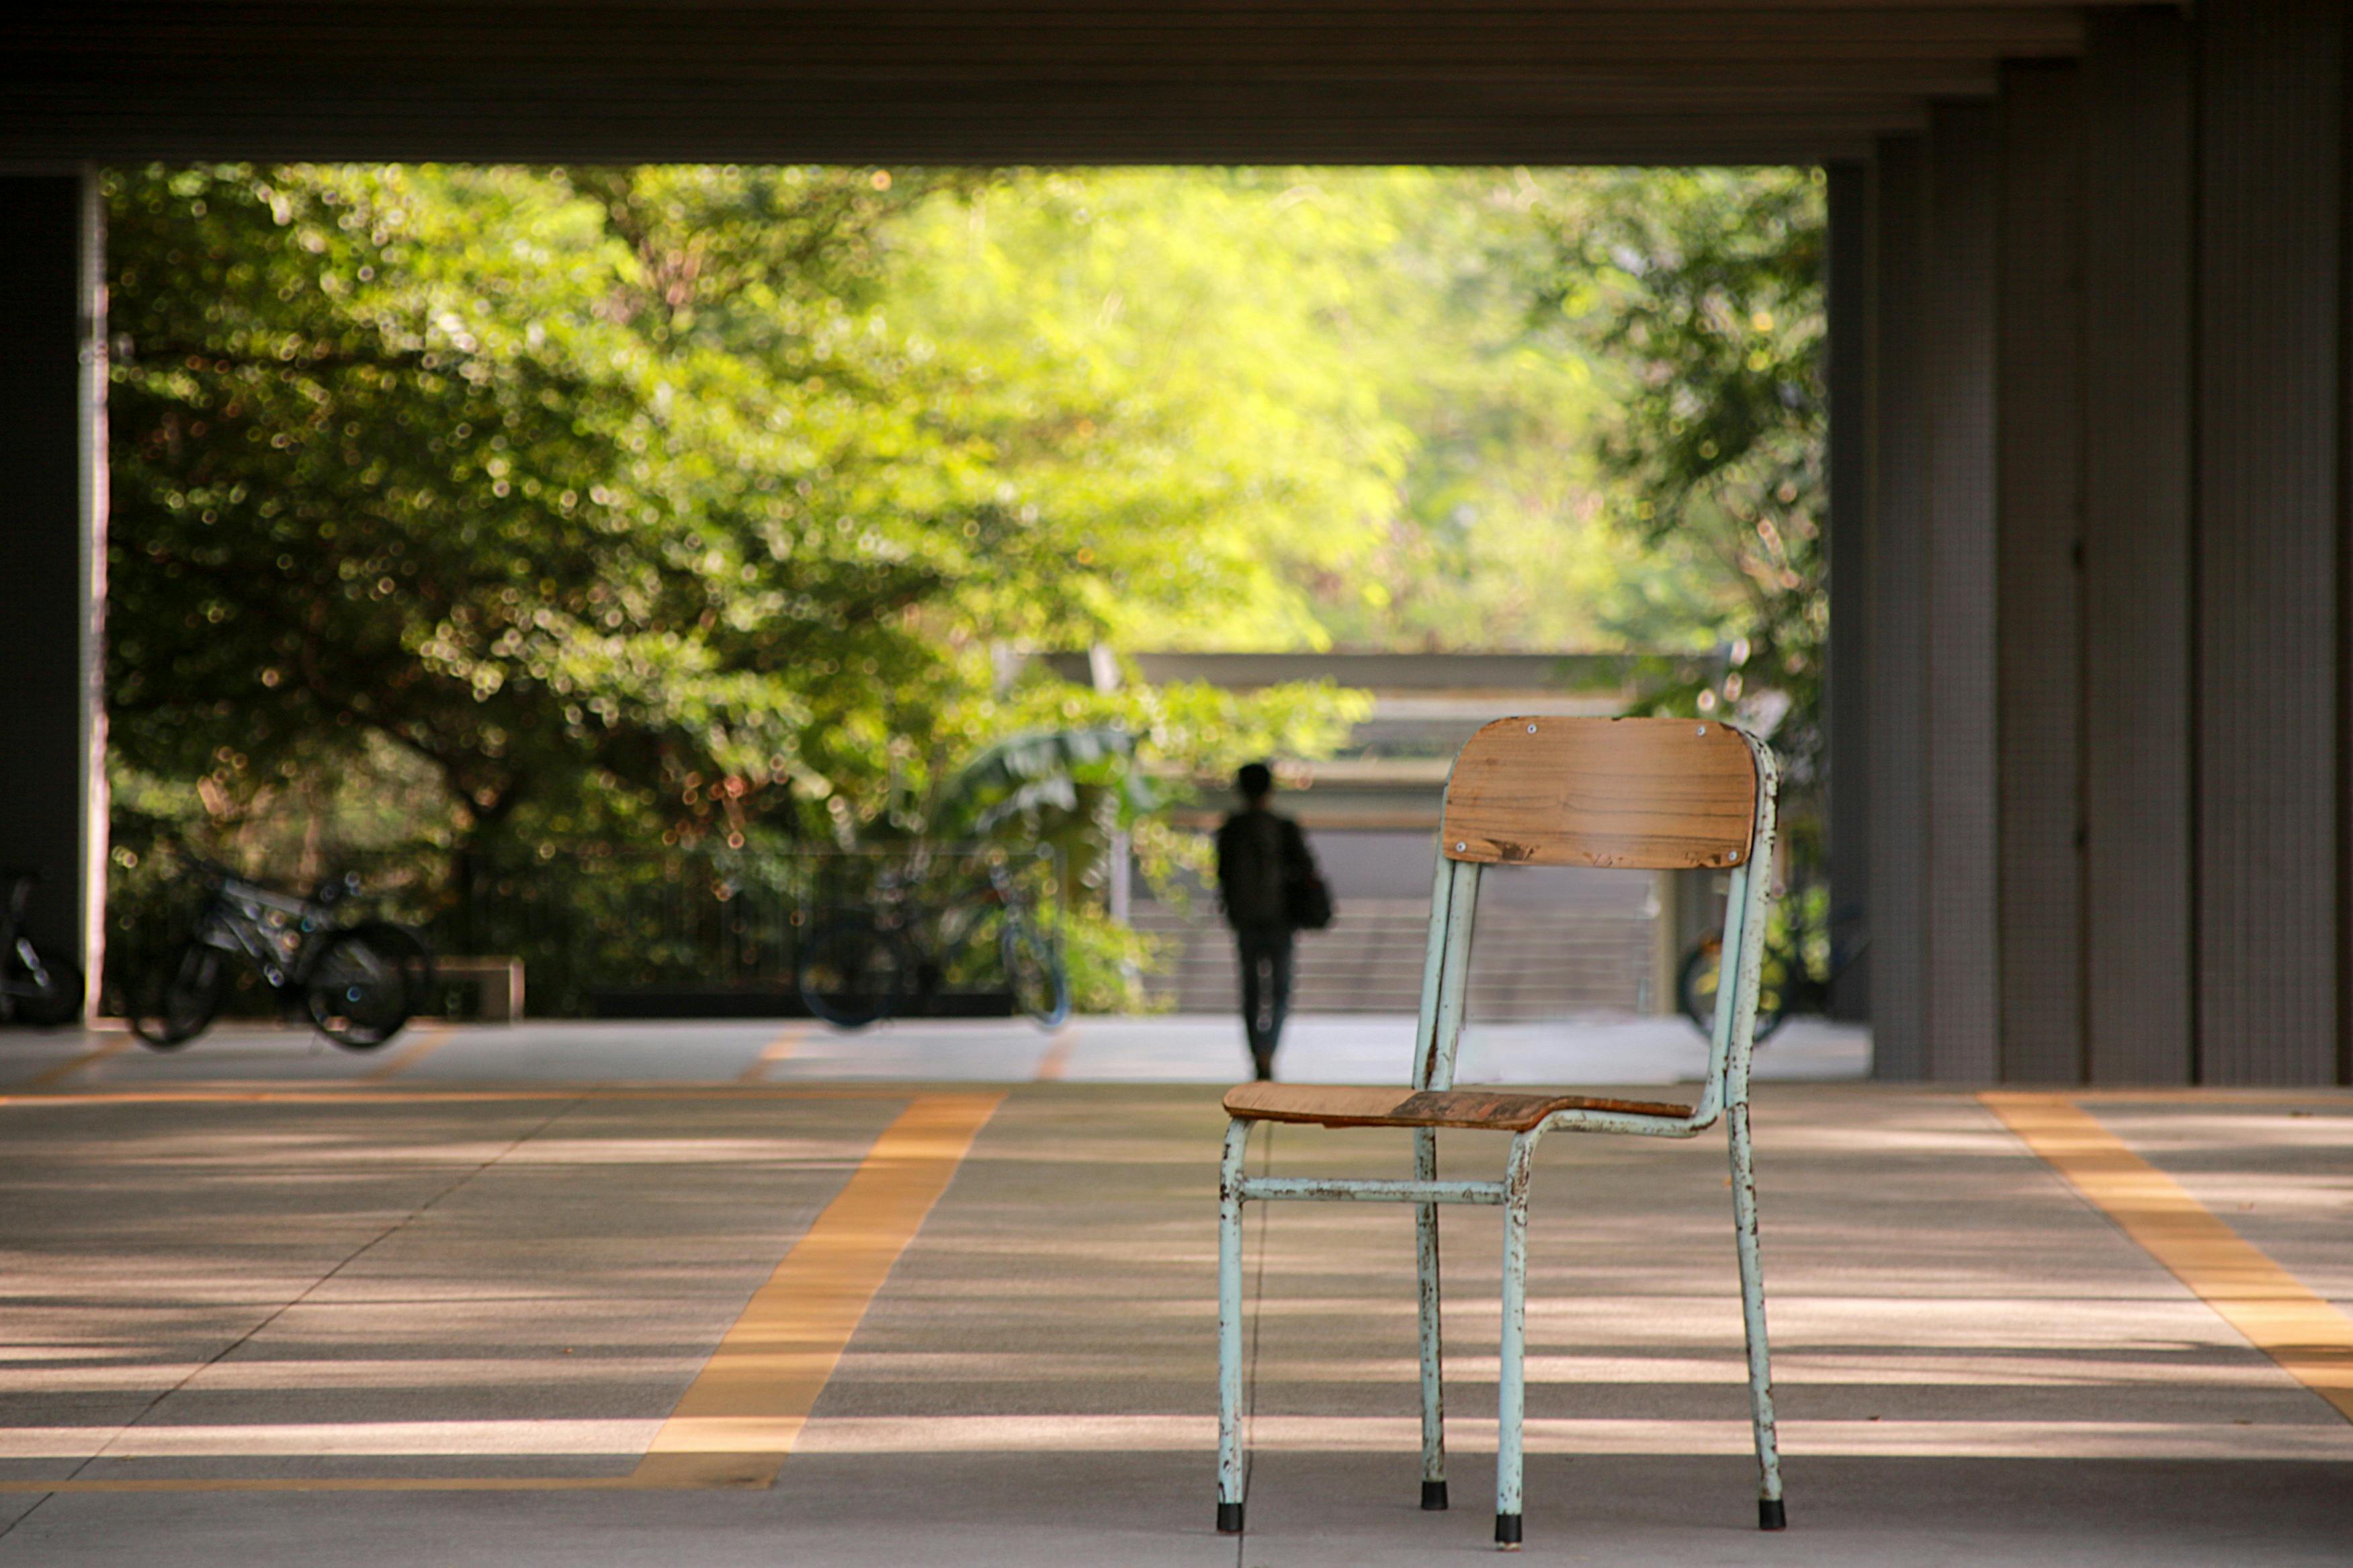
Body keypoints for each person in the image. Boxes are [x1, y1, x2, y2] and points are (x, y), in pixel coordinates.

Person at [1214, 761, 1322, 1081]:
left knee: (1250, 989)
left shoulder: (1231, 829)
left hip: (1246, 920)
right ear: (1269, 789)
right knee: (1279, 991)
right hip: (1281, 919)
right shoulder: (1284, 827)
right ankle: (1268, 1050)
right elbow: (1306, 869)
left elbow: (1223, 875)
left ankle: (1257, 1053)